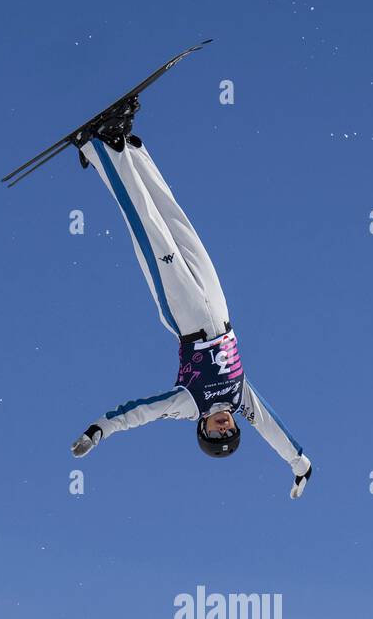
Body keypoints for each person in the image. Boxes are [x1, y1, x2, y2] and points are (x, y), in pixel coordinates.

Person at [70, 100, 312, 499]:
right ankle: (128, 147)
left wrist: (100, 429)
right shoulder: (240, 399)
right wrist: (299, 463)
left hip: (186, 319)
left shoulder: (189, 404)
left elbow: (142, 412)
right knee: (179, 223)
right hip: (219, 312)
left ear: (202, 428)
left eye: (218, 432)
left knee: (150, 231)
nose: (225, 426)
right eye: (230, 431)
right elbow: (273, 430)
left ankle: (96, 149)